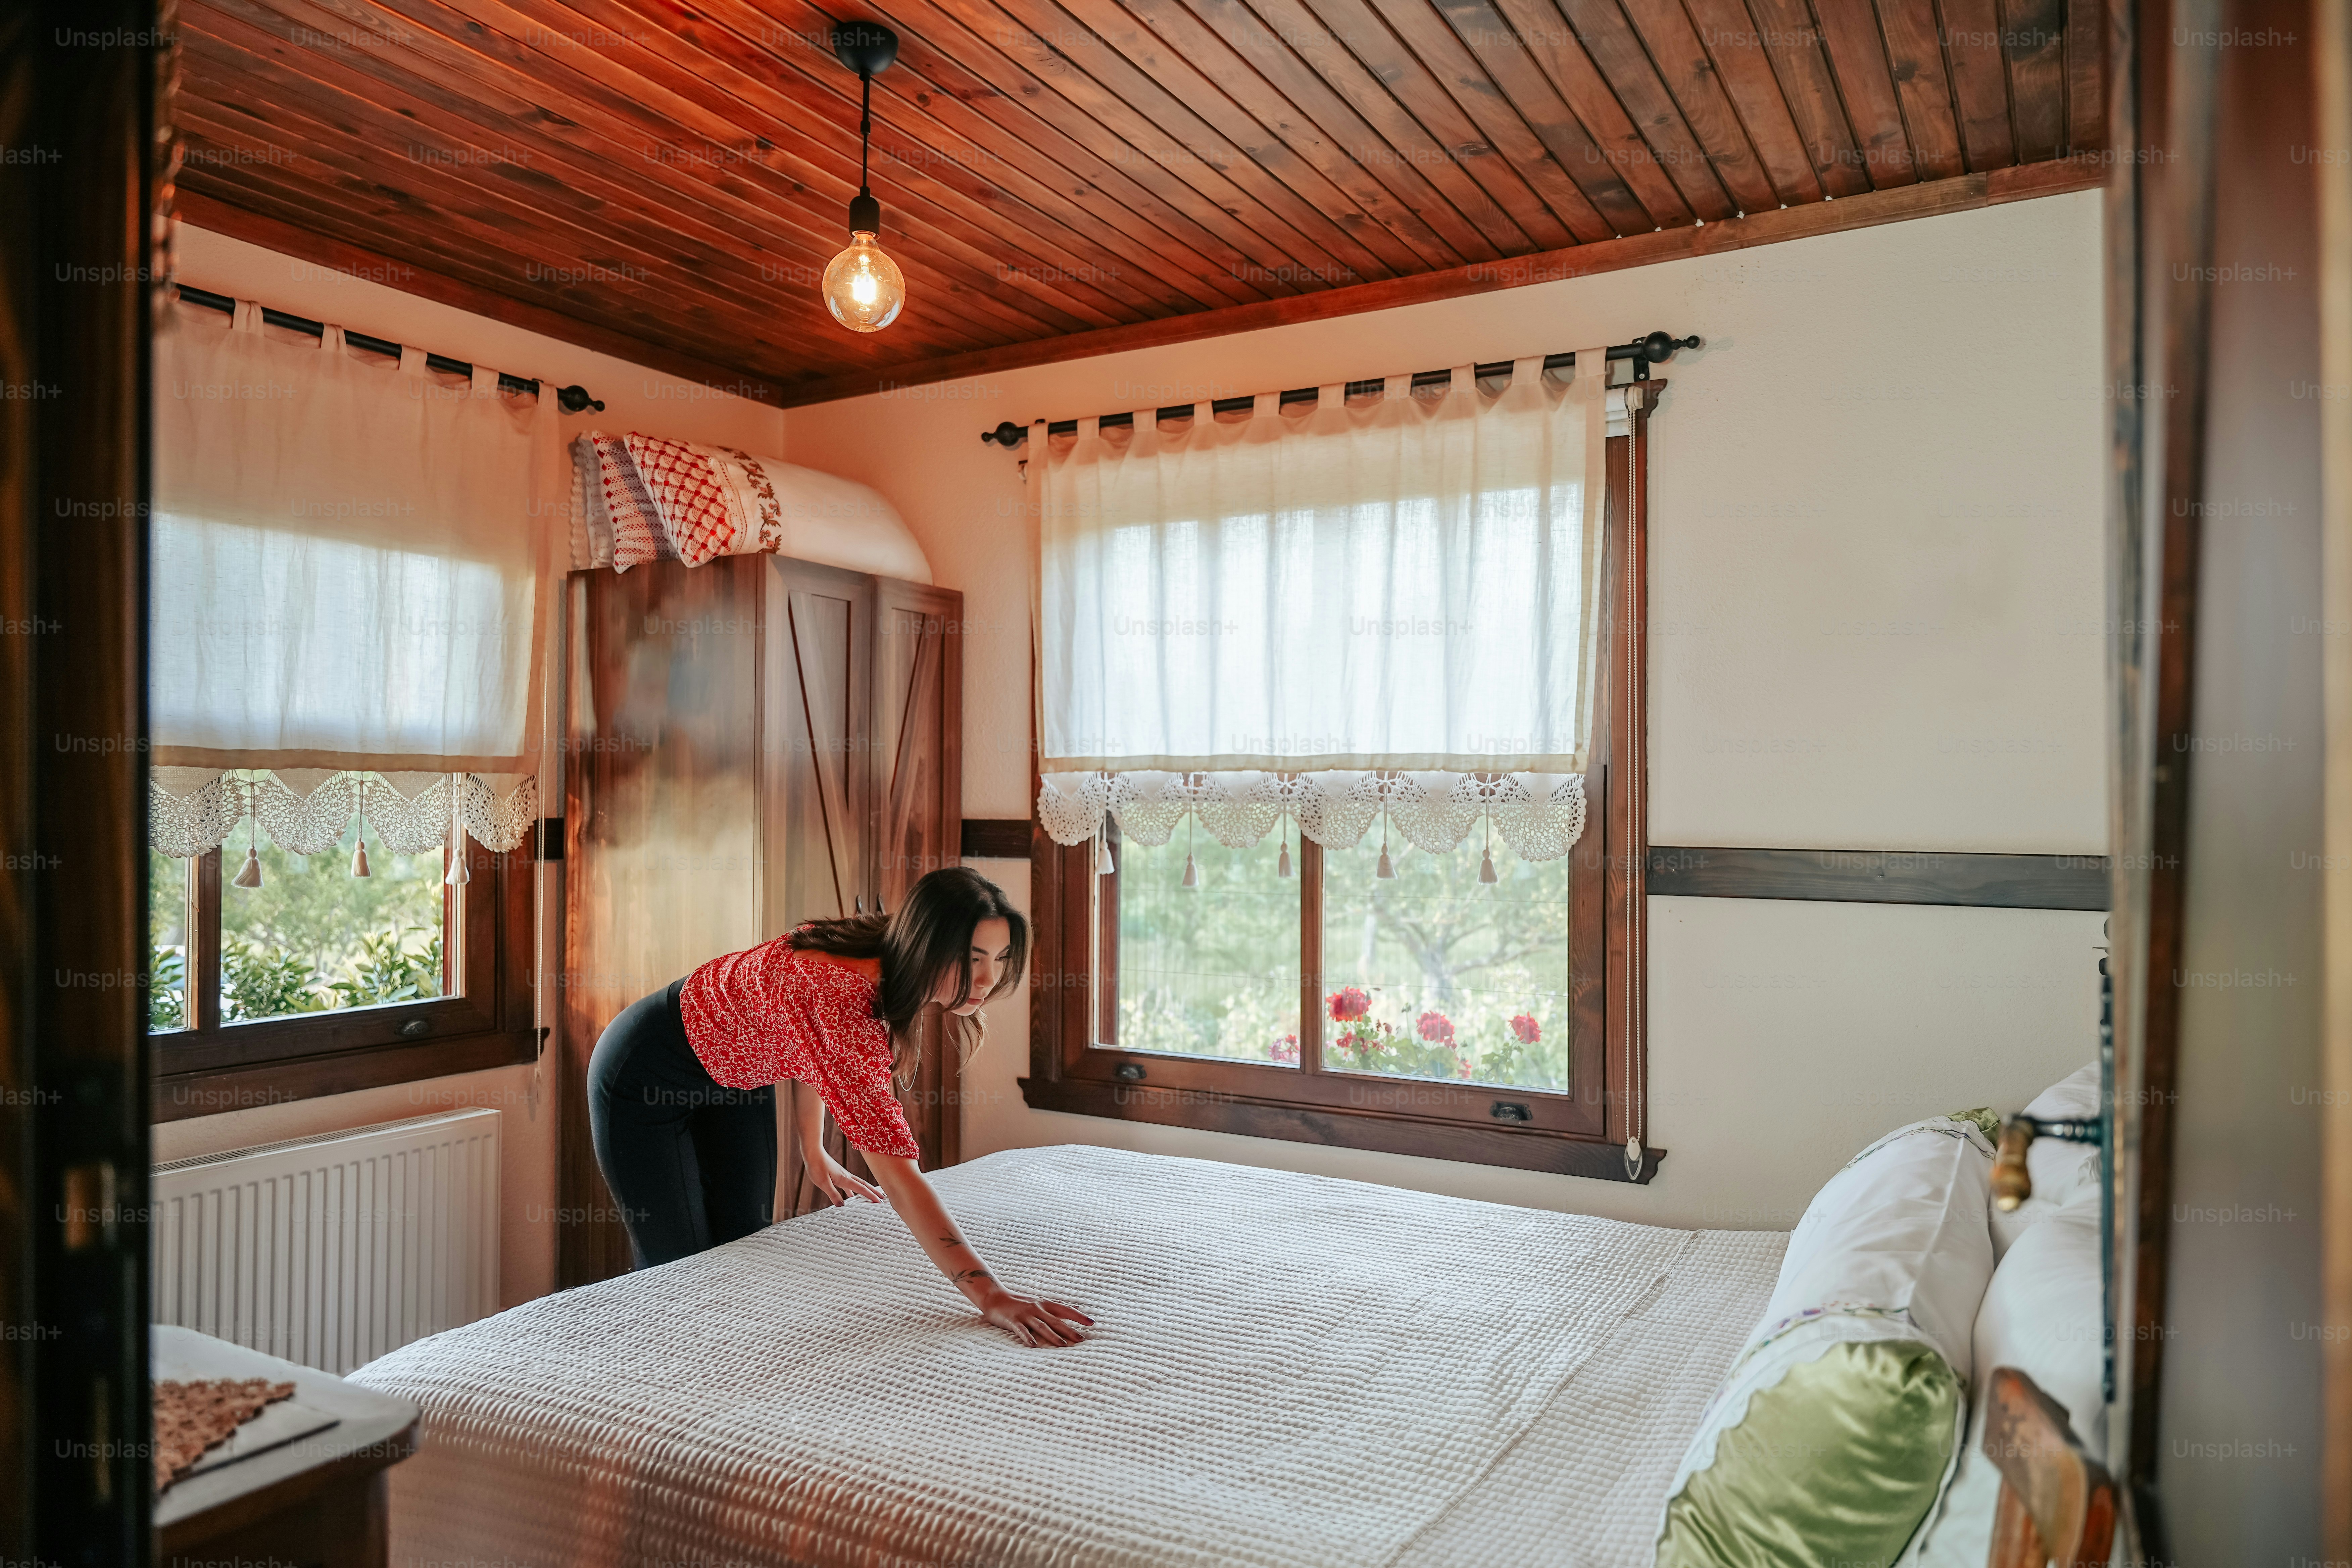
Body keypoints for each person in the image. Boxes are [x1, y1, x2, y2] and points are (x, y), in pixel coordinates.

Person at [587, 866, 1093, 1348]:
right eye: (972, 957)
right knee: (677, 1268)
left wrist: (814, 1148)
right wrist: (991, 1296)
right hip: (647, 1068)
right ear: (928, 946)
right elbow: (902, 1181)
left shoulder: (888, 961)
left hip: (739, 1073)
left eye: (1000, 959)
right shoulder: (845, 999)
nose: (986, 979)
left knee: (742, 1249)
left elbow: (812, 1048)